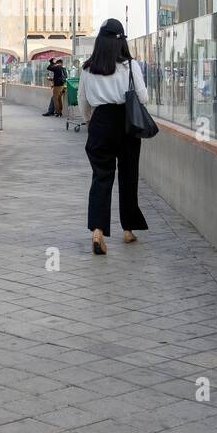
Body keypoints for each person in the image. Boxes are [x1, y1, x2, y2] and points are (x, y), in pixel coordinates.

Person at [78, 18, 149, 255]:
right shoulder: (130, 66)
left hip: (100, 122)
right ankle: (128, 229)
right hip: (127, 123)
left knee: (101, 177)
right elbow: (144, 97)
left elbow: (83, 101)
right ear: (121, 41)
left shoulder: (88, 68)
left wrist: (90, 121)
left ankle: (97, 231)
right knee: (129, 176)